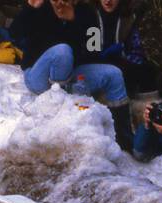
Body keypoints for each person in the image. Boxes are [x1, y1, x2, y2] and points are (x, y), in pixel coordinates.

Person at [9, 0, 132, 152]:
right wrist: (30, 8)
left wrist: (74, 20)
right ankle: (59, 113)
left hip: (70, 75)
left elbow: (94, 52)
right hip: (37, 75)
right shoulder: (41, 6)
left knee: (114, 74)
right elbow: (13, 34)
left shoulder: (87, 12)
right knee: (62, 51)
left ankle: (123, 136)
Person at [86, 0, 155, 98]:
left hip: (121, 59)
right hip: (96, 63)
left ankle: (144, 106)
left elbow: (134, 47)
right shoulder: (91, 15)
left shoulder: (129, 16)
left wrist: (123, 49)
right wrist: (104, 53)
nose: (108, 1)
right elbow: (91, 50)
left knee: (147, 70)